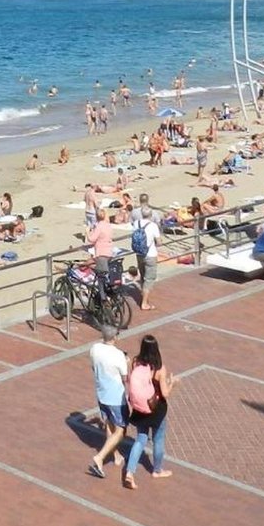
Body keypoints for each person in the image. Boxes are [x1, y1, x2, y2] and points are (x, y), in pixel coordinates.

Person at [122, 334, 175, 489]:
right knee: (158, 440)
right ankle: (157, 470)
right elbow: (165, 393)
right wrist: (172, 383)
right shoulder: (159, 368)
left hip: (140, 408)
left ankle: (129, 472)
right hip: (157, 409)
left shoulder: (136, 362)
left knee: (140, 439)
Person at [86, 327, 129, 479]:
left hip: (101, 393)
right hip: (116, 397)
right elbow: (125, 378)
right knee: (120, 429)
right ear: (115, 337)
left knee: (109, 424)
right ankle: (100, 457)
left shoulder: (94, 348)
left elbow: (93, 367)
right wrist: (127, 362)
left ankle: (116, 454)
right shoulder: (118, 355)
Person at [129, 203, 160, 312]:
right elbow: (159, 242)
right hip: (150, 254)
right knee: (149, 279)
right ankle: (144, 303)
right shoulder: (153, 226)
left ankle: (143, 295)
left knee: (143, 275)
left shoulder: (136, 223)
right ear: (151, 215)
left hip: (139, 253)